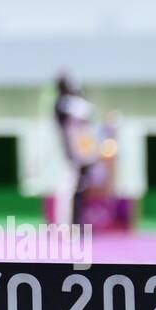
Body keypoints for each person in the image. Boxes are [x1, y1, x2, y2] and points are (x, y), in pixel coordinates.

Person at [53, 74, 110, 224]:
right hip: (73, 155)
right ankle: (69, 225)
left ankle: (74, 224)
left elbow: (88, 123)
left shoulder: (73, 107)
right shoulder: (65, 105)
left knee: (78, 189)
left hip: (80, 155)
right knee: (69, 190)